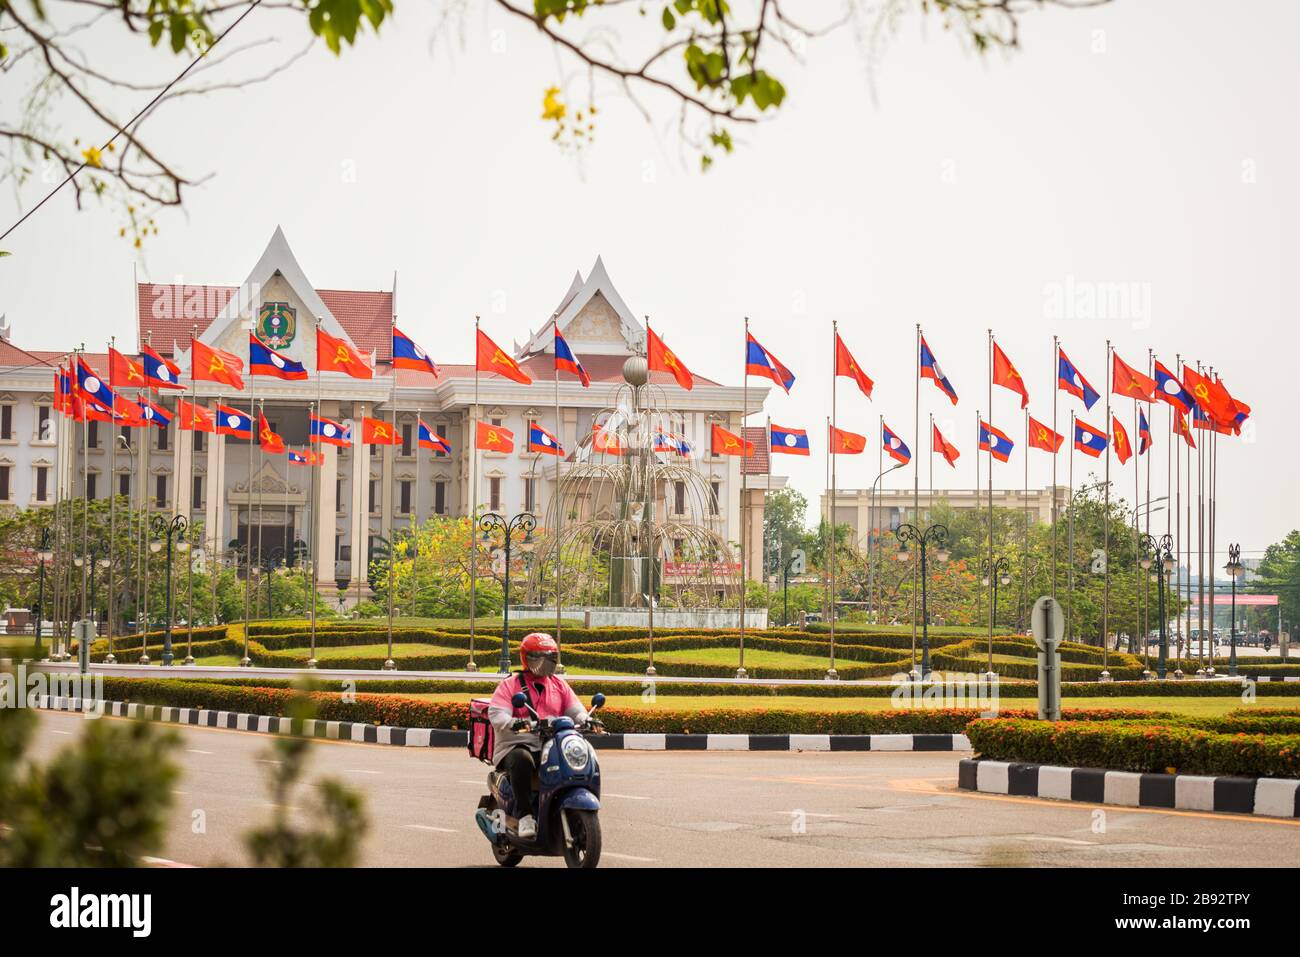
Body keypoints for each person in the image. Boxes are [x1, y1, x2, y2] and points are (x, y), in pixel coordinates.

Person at [487, 632, 588, 839]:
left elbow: (575, 709)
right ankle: (525, 816)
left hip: (550, 745)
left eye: (550, 656)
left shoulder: (558, 684)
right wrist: (515, 722)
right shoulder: (511, 684)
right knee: (521, 759)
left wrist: (586, 719)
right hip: (516, 745)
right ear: (527, 658)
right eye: (539, 656)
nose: (545, 661)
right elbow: (497, 713)